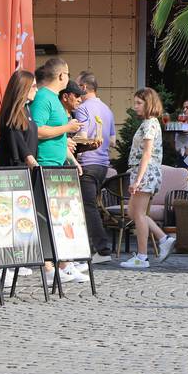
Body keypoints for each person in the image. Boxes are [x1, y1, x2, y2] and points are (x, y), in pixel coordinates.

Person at [30, 58, 85, 284]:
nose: (69, 79)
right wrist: (67, 127)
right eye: (68, 74)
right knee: (46, 218)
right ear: (61, 76)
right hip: (44, 164)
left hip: (57, 164)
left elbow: (59, 137)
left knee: (60, 217)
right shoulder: (44, 97)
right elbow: (37, 130)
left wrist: (70, 158)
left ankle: (63, 263)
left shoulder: (52, 99)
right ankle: (49, 266)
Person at [0, 69, 41, 287]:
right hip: (10, 173)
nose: (37, 90)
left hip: (22, 173)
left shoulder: (26, 110)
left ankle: (13, 263)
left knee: (17, 220)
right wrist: (29, 158)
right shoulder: (12, 111)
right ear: (23, 89)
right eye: (34, 86)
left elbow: (28, 137)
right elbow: (15, 139)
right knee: (5, 222)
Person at [120, 88, 176, 268]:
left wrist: (138, 180)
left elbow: (147, 154)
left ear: (148, 103)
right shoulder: (148, 123)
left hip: (145, 172)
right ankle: (163, 238)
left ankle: (142, 257)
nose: (135, 106)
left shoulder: (150, 124)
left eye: (139, 103)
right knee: (134, 213)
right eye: (135, 102)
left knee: (138, 214)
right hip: (143, 171)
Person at [73, 71, 116, 264]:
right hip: (103, 164)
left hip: (86, 162)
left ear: (83, 87)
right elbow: (113, 140)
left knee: (87, 207)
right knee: (90, 206)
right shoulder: (107, 109)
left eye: (76, 86)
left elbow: (81, 135)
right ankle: (88, 248)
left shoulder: (82, 108)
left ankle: (102, 250)